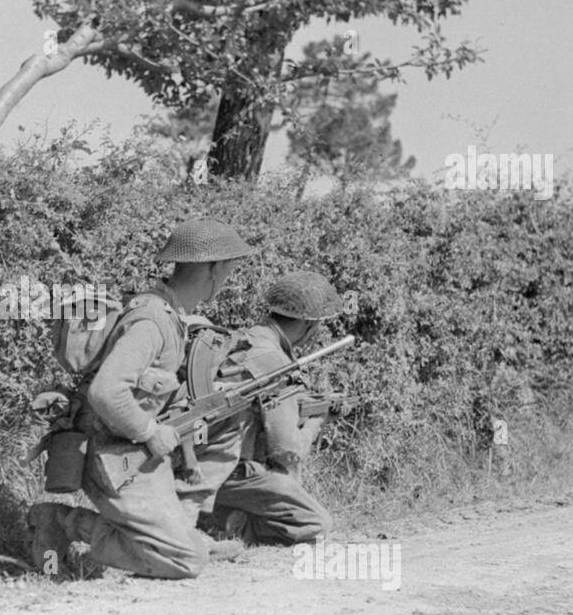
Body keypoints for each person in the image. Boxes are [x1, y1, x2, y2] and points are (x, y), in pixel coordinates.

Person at [30, 219, 254, 579]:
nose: (229, 278)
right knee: (187, 561)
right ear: (211, 267)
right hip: (111, 455)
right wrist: (150, 431)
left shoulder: (171, 314)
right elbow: (107, 390)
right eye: (228, 268)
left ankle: (165, 541)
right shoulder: (153, 320)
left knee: (189, 543)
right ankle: (60, 521)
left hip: (133, 453)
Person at [202, 271, 343, 546]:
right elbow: (288, 451)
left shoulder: (243, 339)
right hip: (232, 475)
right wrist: (317, 420)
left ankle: (220, 514)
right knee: (317, 525)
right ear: (307, 324)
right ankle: (235, 528)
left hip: (199, 463)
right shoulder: (275, 362)